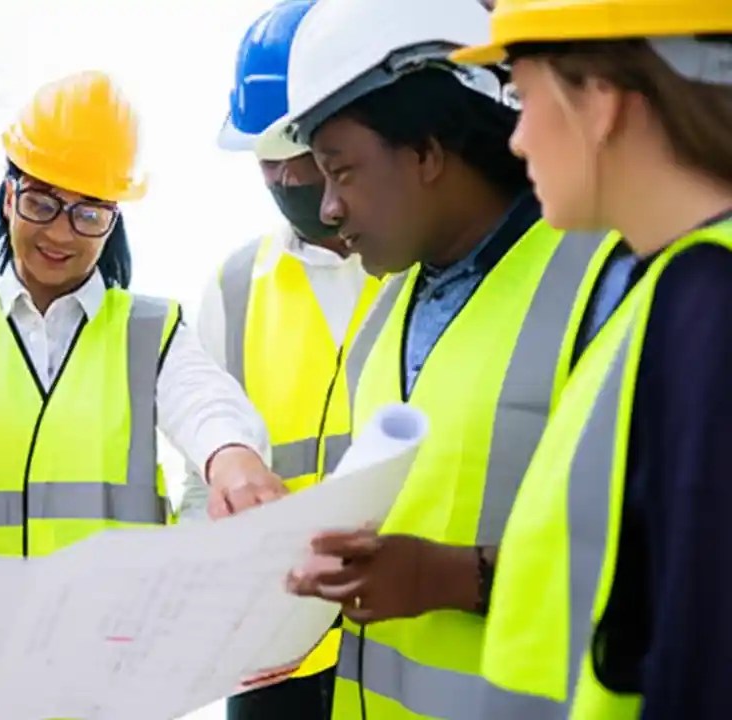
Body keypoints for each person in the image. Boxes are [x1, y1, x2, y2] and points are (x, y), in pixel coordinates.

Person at [270, 0, 616, 717]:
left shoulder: (601, 283)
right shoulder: (388, 309)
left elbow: (666, 563)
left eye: (342, 172)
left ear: (427, 153)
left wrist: (449, 579)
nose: (327, 209)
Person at [447, 2, 732, 717]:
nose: (514, 140)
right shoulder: (663, 287)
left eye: (520, 94)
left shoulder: (708, 298)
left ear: (601, 97)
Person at [0, 69, 276, 560]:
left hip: (111, 625)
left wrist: (231, 457)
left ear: (113, 222)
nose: (60, 235)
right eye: (42, 203)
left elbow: (206, 405)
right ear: (8, 198)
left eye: (88, 213)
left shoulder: (152, 335)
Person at [183, 2, 381, 718]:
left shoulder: (416, 262)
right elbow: (197, 488)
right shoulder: (235, 285)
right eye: (263, 159)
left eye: (291, 153)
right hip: (272, 652)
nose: (279, 176)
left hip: (396, 633)